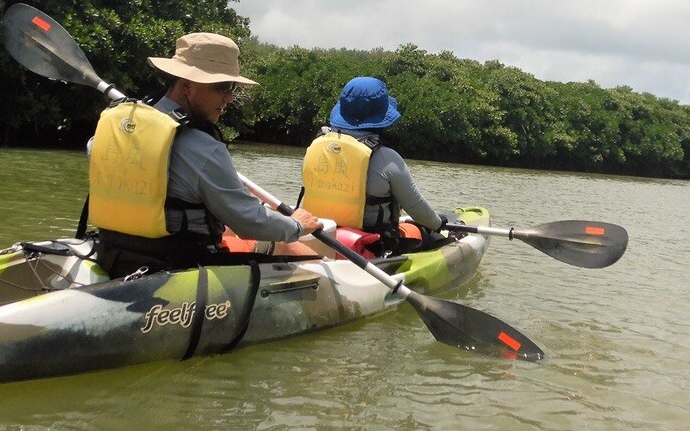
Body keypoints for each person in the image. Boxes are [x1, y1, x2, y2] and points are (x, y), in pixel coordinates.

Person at [89, 32, 320, 278]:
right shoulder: (204, 149)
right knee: (292, 247)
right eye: (222, 87)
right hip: (179, 265)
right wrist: (296, 225)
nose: (229, 98)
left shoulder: (109, 133)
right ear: (187, 86)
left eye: (231, 88)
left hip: (113, 254)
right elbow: (249, 222)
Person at [300, 76, 449, 254]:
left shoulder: (317, 147)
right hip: (371, 245)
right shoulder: (387, 158)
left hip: (318, 235)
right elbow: (417, 209)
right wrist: (439, 223)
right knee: (429, 235)